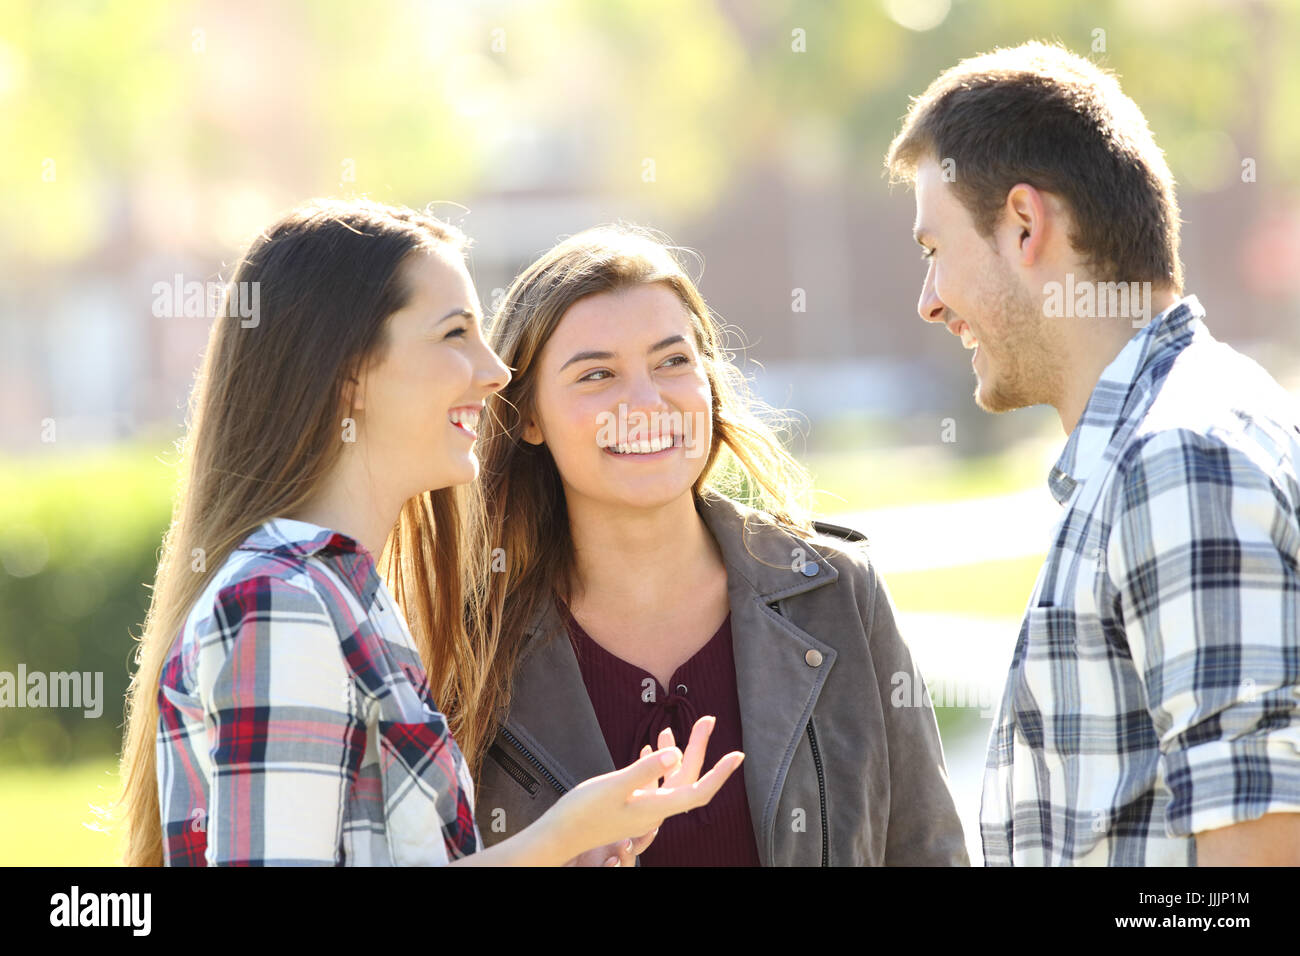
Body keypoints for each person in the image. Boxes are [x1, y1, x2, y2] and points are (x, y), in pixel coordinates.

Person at [117, 198, 742, 866]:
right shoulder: (283, 605)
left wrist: (566, 850)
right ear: (351, 375)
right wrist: (554, 836)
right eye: (454, 335)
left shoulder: (346, 597)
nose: (496, 371)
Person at [885, 40, 1300, 865]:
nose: (929, 301)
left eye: (934, 251)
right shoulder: (1167, 439)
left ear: (1025, 224)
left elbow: (1255, 869)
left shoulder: (1177, 460)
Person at [462, 224, 968, 866]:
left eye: (673, 361)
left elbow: (930, 852)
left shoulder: (839, 593)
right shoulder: (471, 634)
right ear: (529, 415)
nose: (645, 402)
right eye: (596, 375)